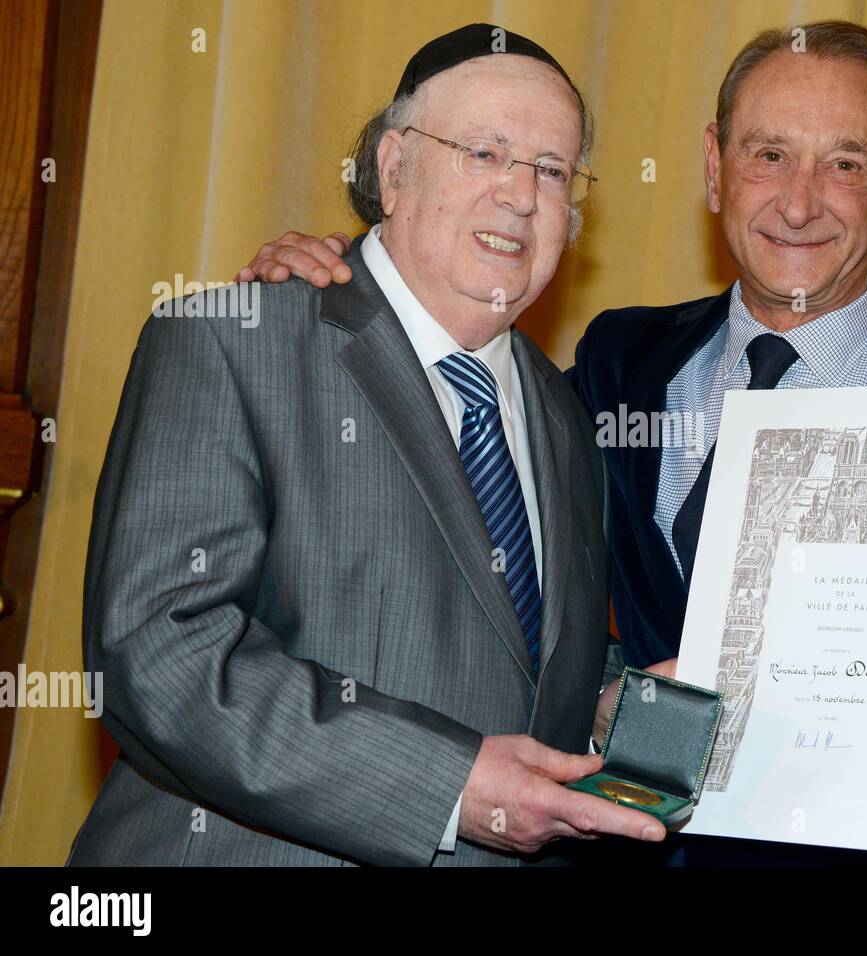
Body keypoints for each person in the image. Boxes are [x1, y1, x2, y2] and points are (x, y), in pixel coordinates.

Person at [240, 19, 867, 866]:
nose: (799, 202)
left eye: (845, 163)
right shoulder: (618, 362)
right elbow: (482, 521)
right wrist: (353, 283)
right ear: (715, 168)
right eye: (768, 155)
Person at [67, 23, 669, 867]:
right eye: (486, 152)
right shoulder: (231, 342)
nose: (521, 195)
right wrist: (448, 787)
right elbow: (162, 658)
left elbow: (509, 645)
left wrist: (611, 703)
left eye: (552, 170)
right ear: (392, 170)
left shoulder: (564, 414)